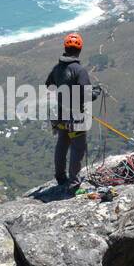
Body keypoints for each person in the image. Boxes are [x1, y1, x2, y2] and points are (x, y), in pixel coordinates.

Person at [45, 32, 100, 186]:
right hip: (75, 116)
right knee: (78, 147)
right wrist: (96, 92)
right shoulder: (79, 70)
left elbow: (49, 86)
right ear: (79, 50)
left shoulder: (57, 68)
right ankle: (74, 183)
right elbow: (87, 95)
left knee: (63, 143)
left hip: (61, 113)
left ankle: (60, 177)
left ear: (65, 48)